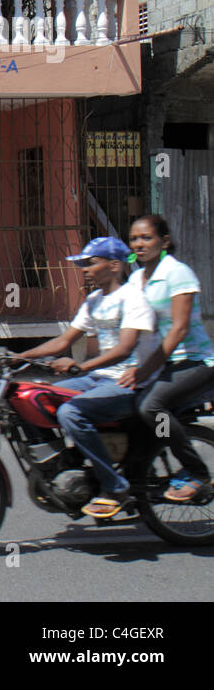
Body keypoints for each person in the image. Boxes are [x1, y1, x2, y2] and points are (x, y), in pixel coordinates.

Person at [13, 236, 156, 518]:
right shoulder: (93, 301)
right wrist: (18, 358)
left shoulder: (133, 298)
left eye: (91, 263)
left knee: (71, 413)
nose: (85, 270)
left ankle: (115, 487)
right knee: (33, 398)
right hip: (100, 378)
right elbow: (63, 341)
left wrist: (81, 368)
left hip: (129, 382)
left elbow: (125, 348)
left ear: (115, 266)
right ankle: (65, 467)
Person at [123, 215, 214, 504]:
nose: (139, 244)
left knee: (152, 407)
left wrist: (143, 369)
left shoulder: (178, 273)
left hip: (195, 362)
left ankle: (196, 471)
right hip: (162, 364)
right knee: (123, 407)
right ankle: (131, 481)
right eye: (134, 238)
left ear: (164, 241)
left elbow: (179, 329)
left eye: (146, 238)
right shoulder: (136, 277)